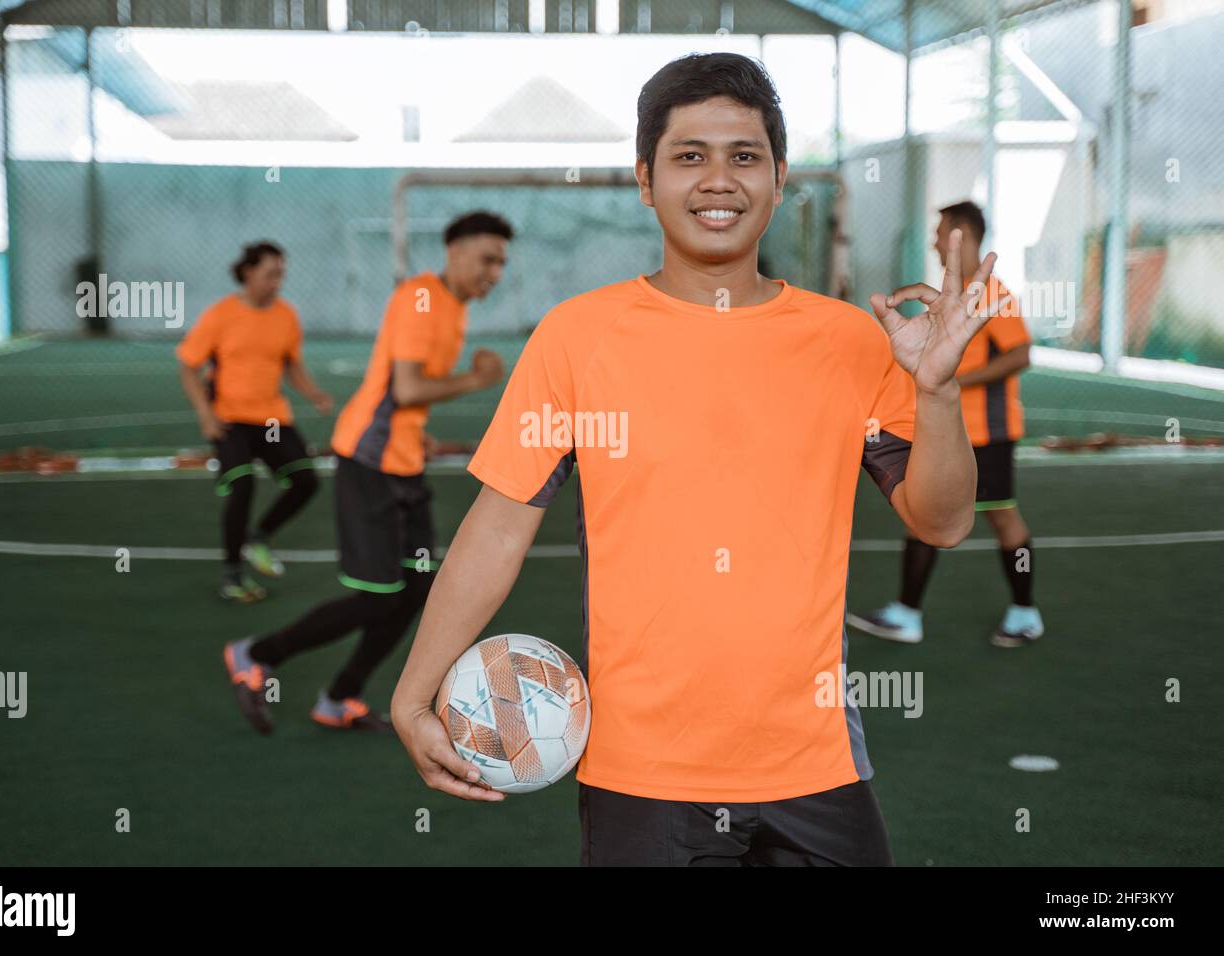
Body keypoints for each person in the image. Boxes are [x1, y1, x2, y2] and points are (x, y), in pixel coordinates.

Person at [389, 53, 999, 866]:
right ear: (646, 180)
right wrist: (411, 691)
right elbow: (499, 528)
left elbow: (945, 520)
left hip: (815, 762)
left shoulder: (853, 340)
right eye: (690, 156)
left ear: (780, 179)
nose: (720, 179)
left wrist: (937, 393)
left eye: (745, 156)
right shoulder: (578, 337)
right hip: (640, 773)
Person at [222, 212, 510, 733]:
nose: (495, 273)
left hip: (403, 463)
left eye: (502, 264)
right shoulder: (420, 299)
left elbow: (405, 399)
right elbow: (404, 389)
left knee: (419, 586)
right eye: (488, 259)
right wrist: (478, 379)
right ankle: (256, 654)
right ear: (454, 251)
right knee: (378, 593)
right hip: (369, 461)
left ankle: (340, 696)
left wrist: (417, 432)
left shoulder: (455, 308)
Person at [847, 201, 1042, 648]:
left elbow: (1020, 355)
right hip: (947, 431)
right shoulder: (951, 294)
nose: (934, 240)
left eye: (940, 231)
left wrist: (953, 377)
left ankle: (1025, 611)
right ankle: (907, 612)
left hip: (985, 432)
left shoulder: (993, 294)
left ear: (962, 235)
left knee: (1002, 519)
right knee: (923, 512)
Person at [176, 242, 332, 603]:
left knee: (306, 481)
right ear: (247, 273)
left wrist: (313, 393)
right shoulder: (220, 315)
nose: (277, 282)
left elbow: (291, 364)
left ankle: (258, 537)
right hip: (229, 420)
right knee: (242, 486)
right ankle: (232, 575)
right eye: (270, 274)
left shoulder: (286, 316)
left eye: (281, 274)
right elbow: (188, 366)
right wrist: (205, 412)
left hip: (273, 419)